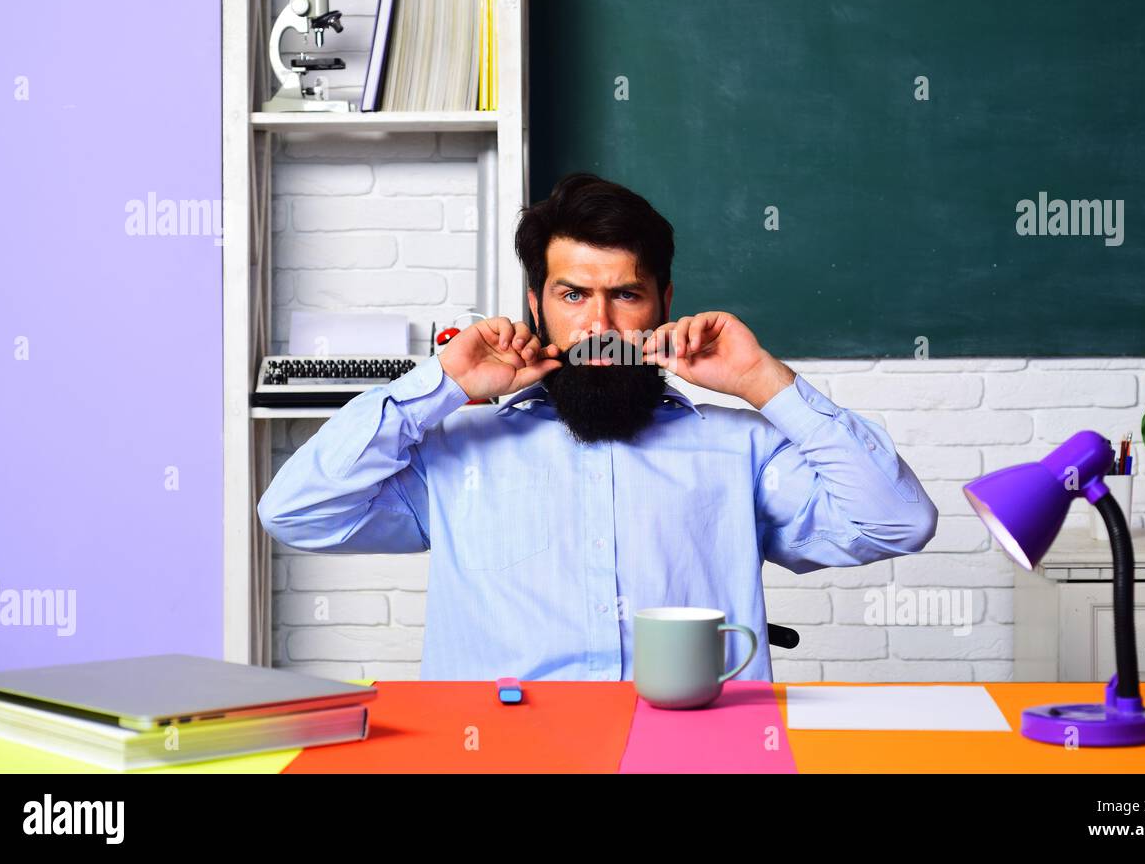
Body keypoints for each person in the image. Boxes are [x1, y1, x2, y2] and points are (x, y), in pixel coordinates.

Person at [257, 172, 938, 681]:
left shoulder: (741, 449)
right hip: (500, 755)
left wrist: (763, 381)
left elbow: (897, 522)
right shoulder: (457, 451)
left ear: (664, 302)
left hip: (692, 751)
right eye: (573, 295)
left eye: (627, 295)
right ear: (537, 304)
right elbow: (297, 513)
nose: (600, 326)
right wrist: (441, 387)